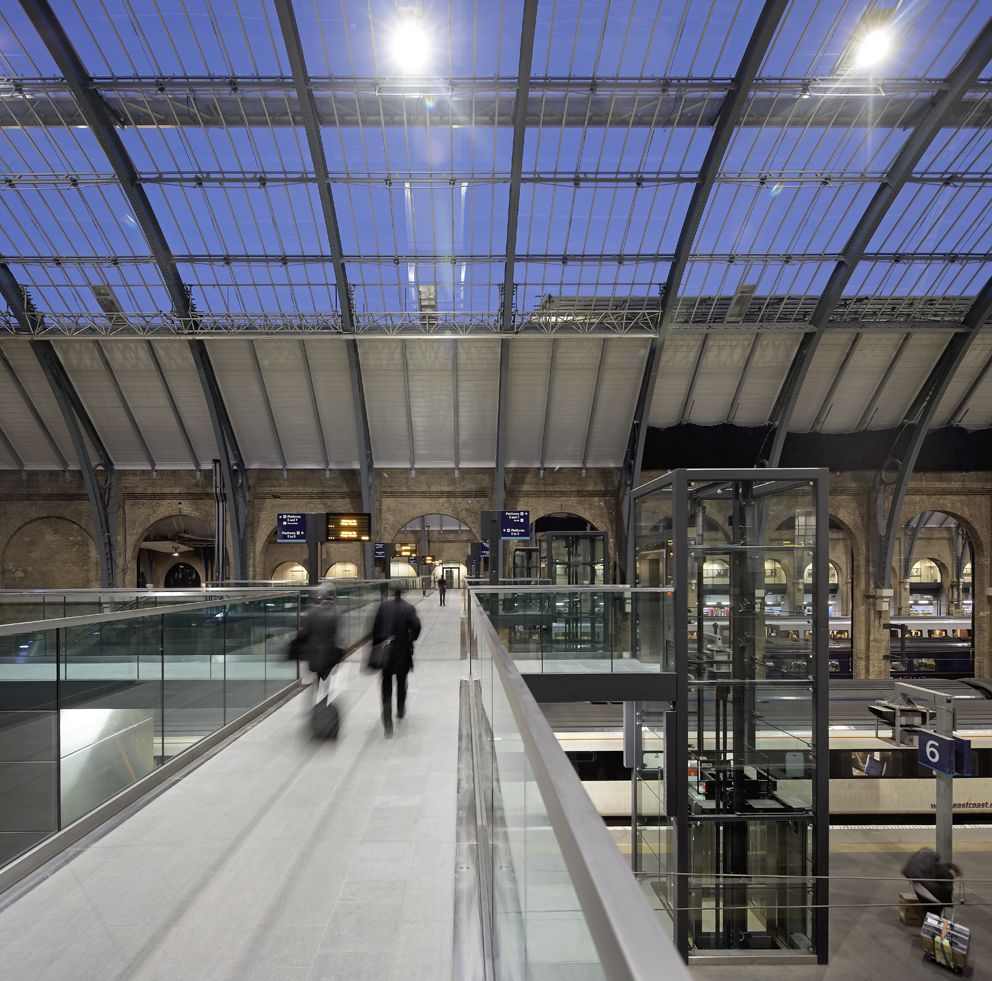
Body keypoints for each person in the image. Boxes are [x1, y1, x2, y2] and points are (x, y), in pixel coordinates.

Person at [371, 588, 422, 736]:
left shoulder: (383, 607)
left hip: (386, 653)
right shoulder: (408, 608)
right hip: (402, 651)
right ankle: (400, 709)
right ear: (403, 594)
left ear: (393, 594)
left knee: (386, 684)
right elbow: (417, 626)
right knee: (401, 680)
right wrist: (411, 638)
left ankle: (387, 719)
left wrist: (377, 645)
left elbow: (375, 629)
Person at [902, 847, 961, 917]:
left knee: (929, 912)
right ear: (952, 870)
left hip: (917, 886)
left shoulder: (937, 867)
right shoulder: (947, 874)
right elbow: (948, 890)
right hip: (925, 890)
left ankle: (930, 924)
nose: (954, 877)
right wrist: (949, 904)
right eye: (955, 875)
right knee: (935, 914)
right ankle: (935, 926)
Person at [301, 587, 342, 681]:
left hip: (314, 649)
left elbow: (303, 632)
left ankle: (319, 685)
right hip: (328, 649)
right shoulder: (333, 613)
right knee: (326, 674)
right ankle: (325, 691)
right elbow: (336, 634)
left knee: (317, 672)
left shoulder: (311, 613)